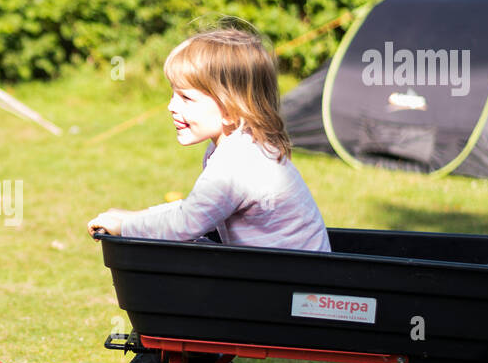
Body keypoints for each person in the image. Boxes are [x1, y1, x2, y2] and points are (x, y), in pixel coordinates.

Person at [88, 25, 330, 251]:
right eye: (173, 94)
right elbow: (196, 208)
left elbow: (186, 224)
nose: (172, 106)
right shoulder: (238, 145)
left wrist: (125, 228)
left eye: (186, 98)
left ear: (231, 110)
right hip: (279, 276)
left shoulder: (237, 162)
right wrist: (134, 217)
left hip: (291, 285)